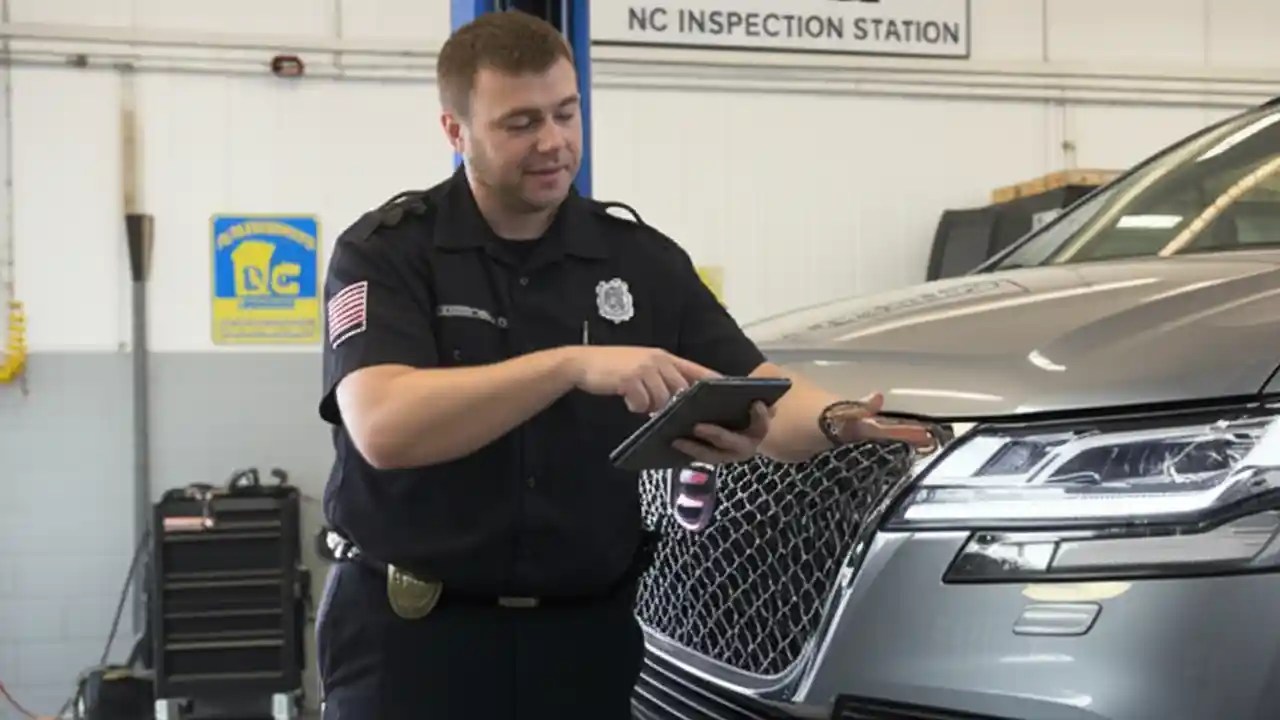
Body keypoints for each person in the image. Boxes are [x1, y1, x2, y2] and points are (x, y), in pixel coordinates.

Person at [313, 9, 932, 720]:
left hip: (582, 645)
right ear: (456, 132)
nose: (554, 142)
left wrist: (837, 419)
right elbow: (386, 427)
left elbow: (765, 396)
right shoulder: (389, 253)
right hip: (414, 646)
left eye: (566, 114)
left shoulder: (640, 261)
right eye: (520, 124)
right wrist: (571, 366)